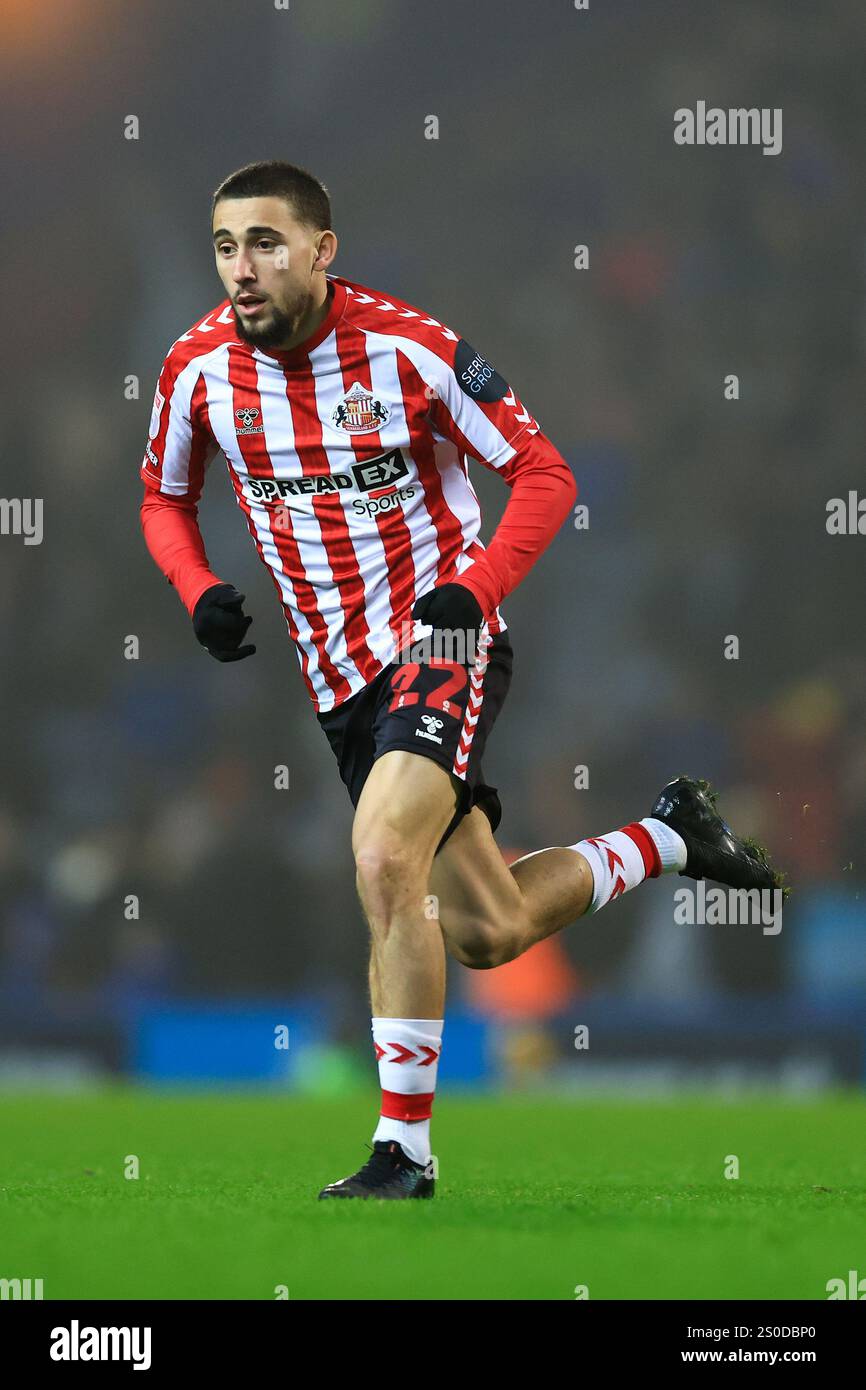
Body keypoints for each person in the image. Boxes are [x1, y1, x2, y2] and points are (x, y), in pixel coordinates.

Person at [139, 160, 784, 1200]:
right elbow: (164, 499)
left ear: (320, 248)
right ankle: (671, 834)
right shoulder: (195, 371)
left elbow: (544, 472)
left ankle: (403, 1152)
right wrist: (196, 587)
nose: (241, 268)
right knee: (485, 930)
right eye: (224, 246)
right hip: (339, 684)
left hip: (441, 644)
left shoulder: (411, 350)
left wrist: (474, 591)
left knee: (380, 851)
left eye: (264, 241)